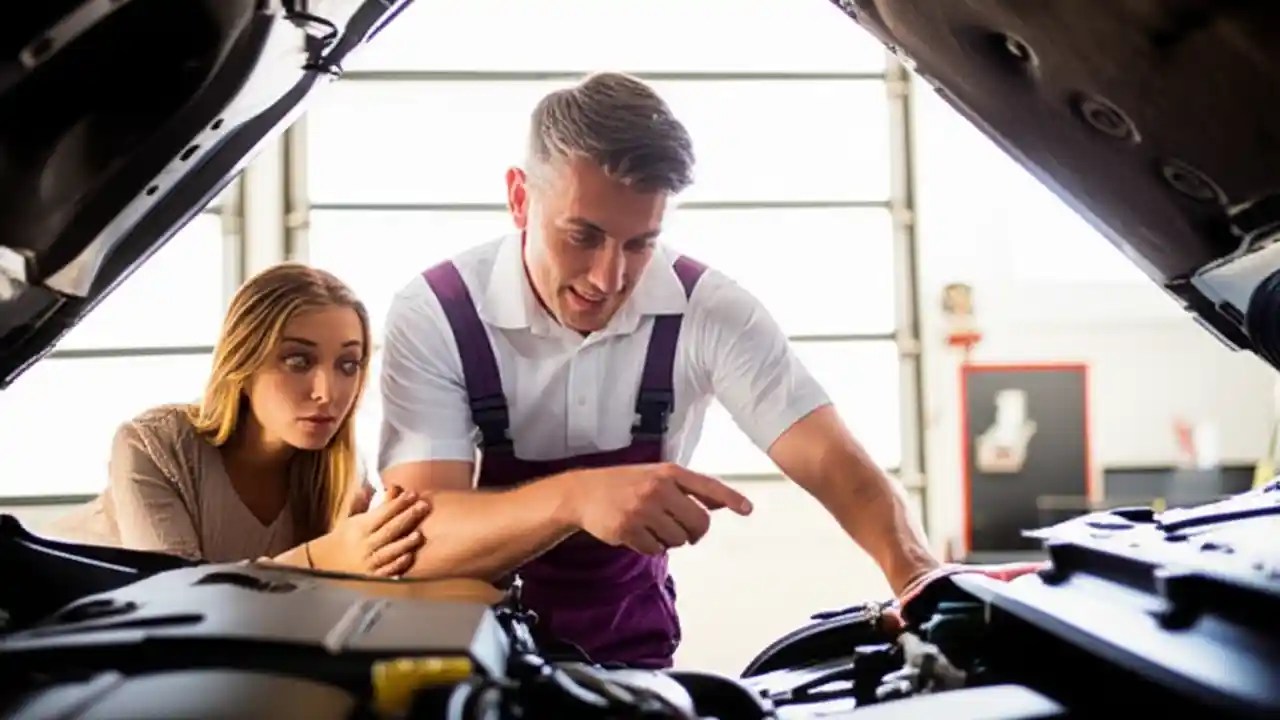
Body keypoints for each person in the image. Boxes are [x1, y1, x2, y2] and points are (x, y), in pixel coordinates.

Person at [377, 72, 1040, 668]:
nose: (609, 278)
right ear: (520, 199)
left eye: (640, 244)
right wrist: (579, 499)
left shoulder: (709, 310)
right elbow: (423, 538)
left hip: (631, 655)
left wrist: (920, 575)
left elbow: (836, 463)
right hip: (470, 662)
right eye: (583, 236)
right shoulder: (435, 313)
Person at [47, 263, 429, 576]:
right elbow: (175, 598)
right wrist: (320, 558)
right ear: (243, 363)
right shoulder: (153, 446)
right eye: (298, 361)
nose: (327, 393)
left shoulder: (347, 476)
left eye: (348, 364)